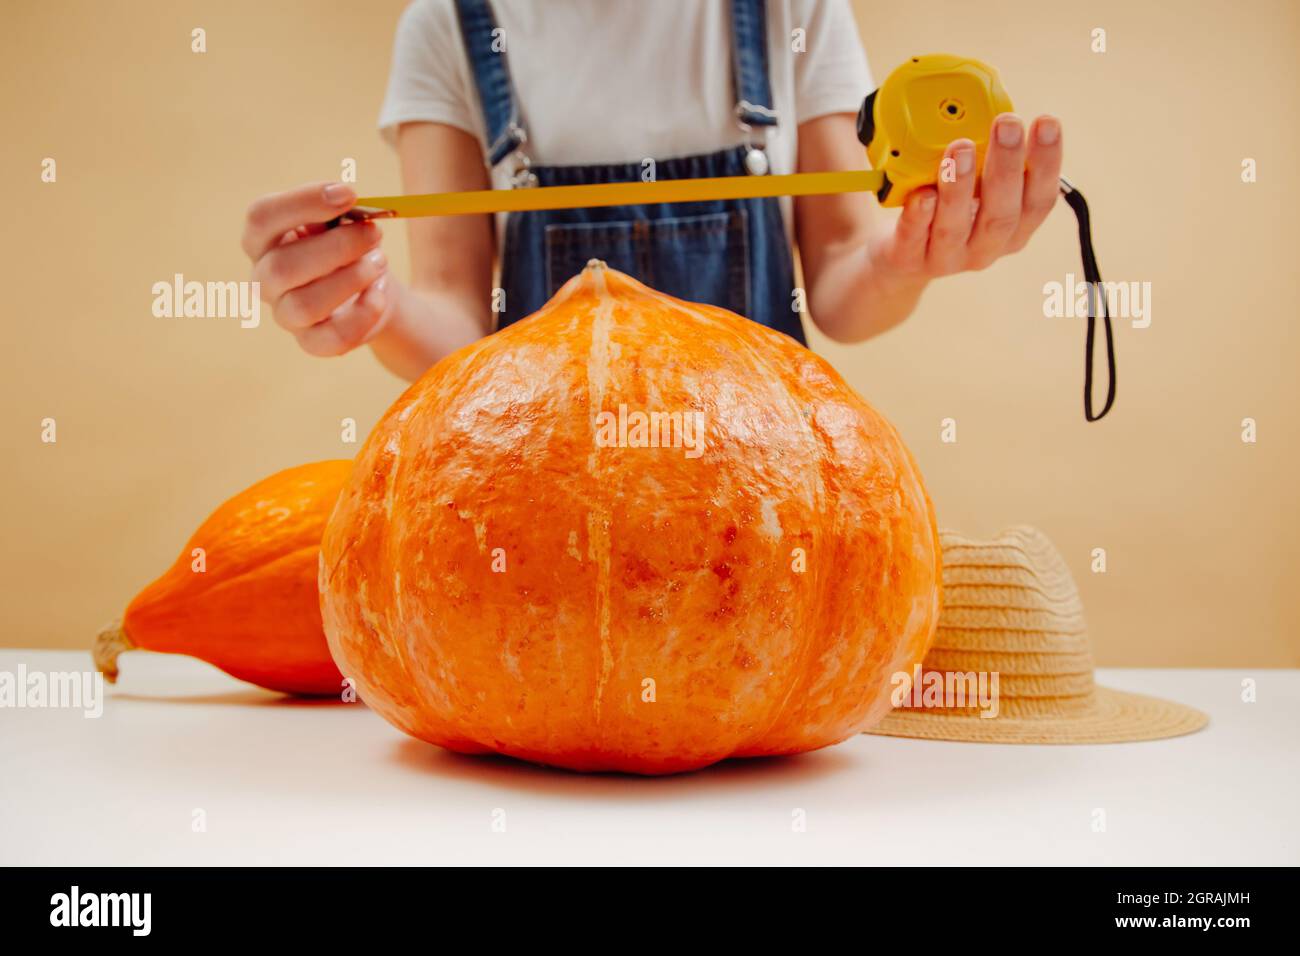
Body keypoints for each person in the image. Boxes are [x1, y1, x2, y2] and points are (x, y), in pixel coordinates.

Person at [242, 0, 1063, 382]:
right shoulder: (449, 27)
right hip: (547, 511)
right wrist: (371, 305)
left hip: (770, 504)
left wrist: (908, 257)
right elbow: (458, 321)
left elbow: (844, 288)